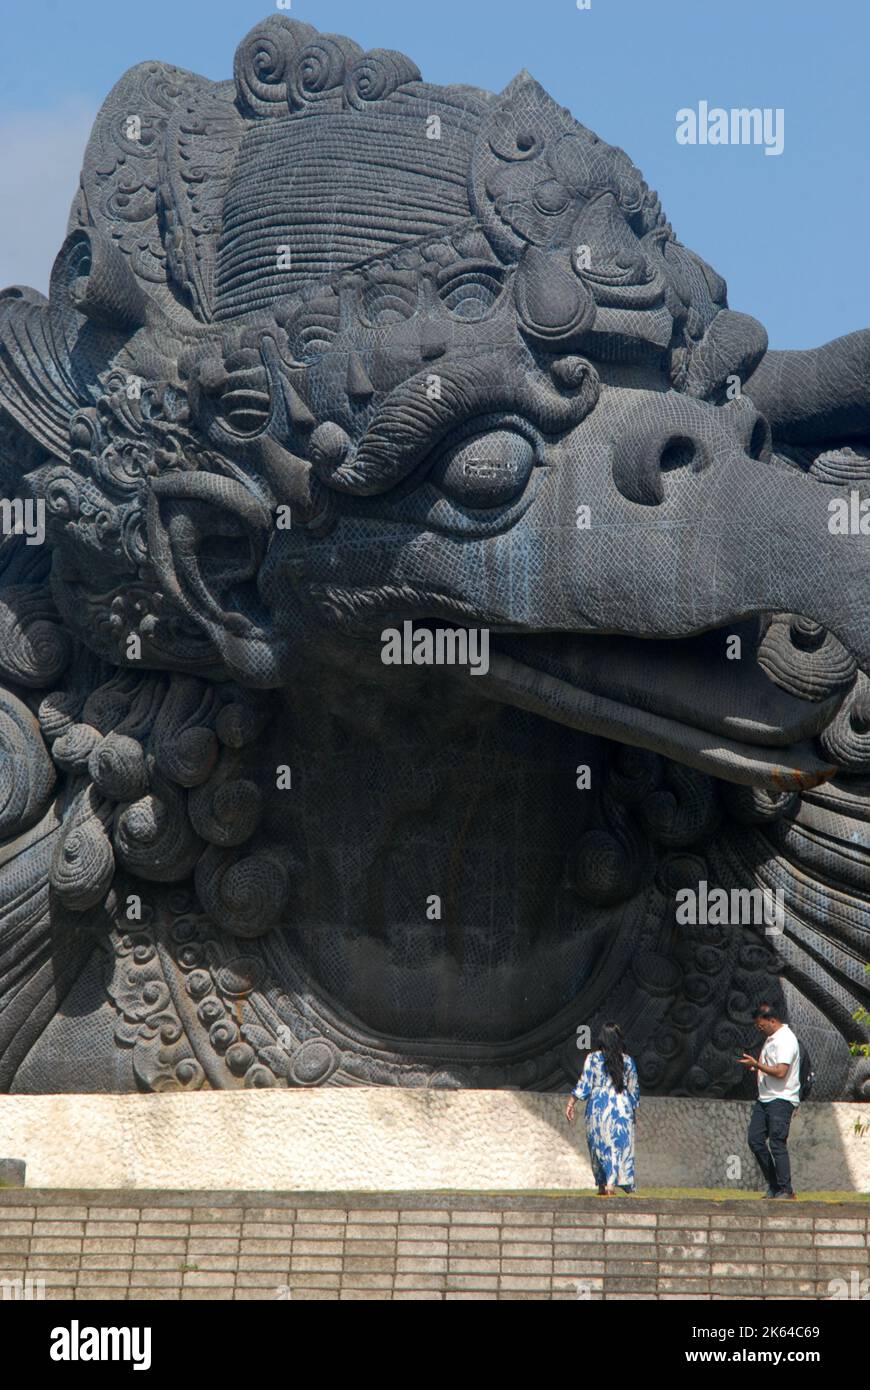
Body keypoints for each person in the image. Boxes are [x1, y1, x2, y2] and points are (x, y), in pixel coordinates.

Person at [565, 1022, 639, 1196]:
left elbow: (584, 1085)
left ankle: (603, 1185)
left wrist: (571, 1102)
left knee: (599, 1146)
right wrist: (632, 1112)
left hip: (599, 1109)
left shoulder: (593, 1058)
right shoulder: (627, 1061)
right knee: (618, 1147)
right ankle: (612, 1184)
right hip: (622, 1108)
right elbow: (634, 1090)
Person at [739, 1004, 800, 1199]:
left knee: (777, 1143)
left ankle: (786, 1189)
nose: (760, 1029)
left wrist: (757, 1065)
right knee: (755, 1140)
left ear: (772, 1021)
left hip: (781, 1098)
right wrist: (758, 1068)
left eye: (761, 1025)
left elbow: (781, 1072)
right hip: (765, 1098)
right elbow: (771, 1067)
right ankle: (774, 1185)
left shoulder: (786, 1040)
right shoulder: (771, 1039)